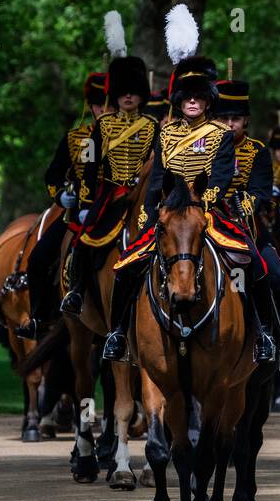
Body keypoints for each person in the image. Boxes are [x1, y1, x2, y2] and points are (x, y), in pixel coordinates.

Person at [101, 50, 238, 362]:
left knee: (256, 265)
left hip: (208, 215)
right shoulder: (166, 134)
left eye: (199, 98)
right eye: (187, 98)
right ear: (179, 101)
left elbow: (221, 176)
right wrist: (150, 213)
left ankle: (265, 336)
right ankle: (119, 333)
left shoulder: (220, 135)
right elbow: (157, 179)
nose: (192, 103)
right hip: (169, 216)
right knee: (124, 267)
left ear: (207, 101)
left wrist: (204, 203)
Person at [59, 52, 157, 317]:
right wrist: (86, 203)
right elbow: (90, 168)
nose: (128, 97)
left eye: (134, 92)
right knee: (85, 237)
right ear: (115, 94)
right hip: (111, 193)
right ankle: (77, 291)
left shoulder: (152, 126)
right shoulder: (102, 126)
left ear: (141, 95)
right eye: (123, 92)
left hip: (142, 194)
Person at [16, 70, 108, 339]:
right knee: (38, 258)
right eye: (99, 104)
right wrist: (61, 196)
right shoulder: (75, 138)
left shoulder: (130, 137)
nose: (103, 110)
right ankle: (41, 317)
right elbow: (54, 175)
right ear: (91, 106)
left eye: (108, 105)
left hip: (116, 207)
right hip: (78, 212)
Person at [216, 77, 280, 365]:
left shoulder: (257, 151)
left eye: (236, 118)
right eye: (224, 118)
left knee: (276, 273)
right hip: (210, 221)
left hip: (247, 225)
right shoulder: (204, 146)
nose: (230, 124)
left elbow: (262, 191)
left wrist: (246, 204)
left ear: (245, 121)